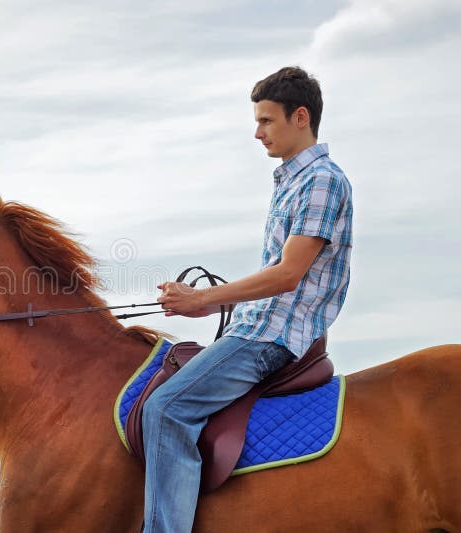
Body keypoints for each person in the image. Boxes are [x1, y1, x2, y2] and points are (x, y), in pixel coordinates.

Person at [143, 66, 354, 532]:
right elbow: (276, 281)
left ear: (301, 117)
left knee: (166, 409)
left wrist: (202, 299)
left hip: (271, 340)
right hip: (260, 326)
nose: (257, 133)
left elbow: (288, 274)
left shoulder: (321, 181)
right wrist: (214, 303)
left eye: (266, 121)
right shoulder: (291, 181)